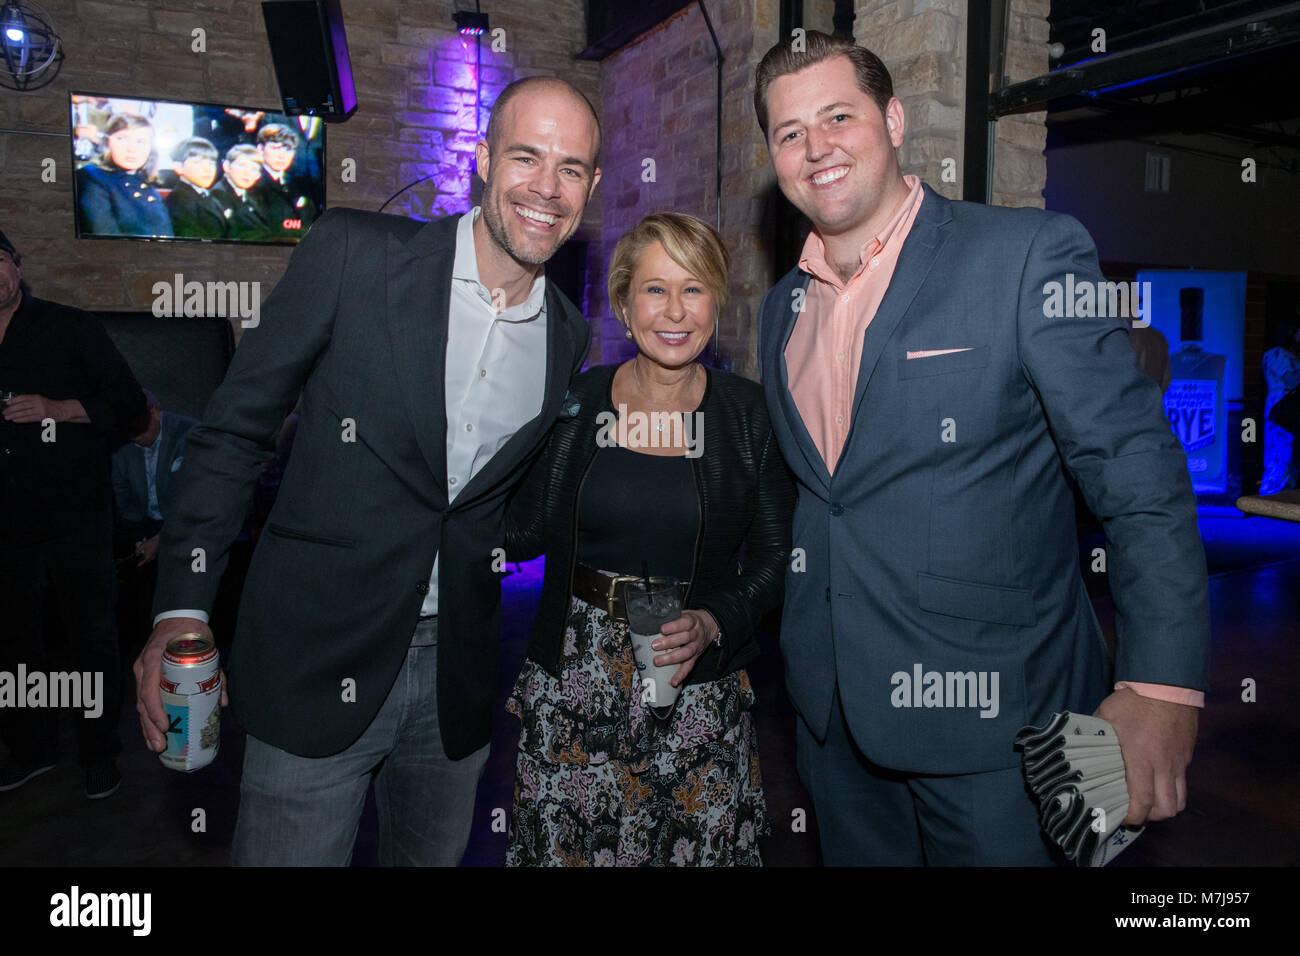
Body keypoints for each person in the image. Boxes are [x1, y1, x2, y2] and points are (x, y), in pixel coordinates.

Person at [752, 32, 1210, 865]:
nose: (815, 147)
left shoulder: (1026, 255)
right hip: (831, 722)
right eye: (789, 132)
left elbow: (1138, 474)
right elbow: (823, 499)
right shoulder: (780, 308)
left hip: (998, 730)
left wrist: (1159, 685)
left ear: (892, 120)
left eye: (838, 116)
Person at [133, 76, 603, 866]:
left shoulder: (567, 335)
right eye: (526, 157)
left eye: (572, 168)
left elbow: (497, 509)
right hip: (318, 654)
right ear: (483, 160)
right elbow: (233, 434)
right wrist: (182, 608)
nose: (546, 189)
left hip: (455, 676)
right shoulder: (355, 253)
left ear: (590, 186)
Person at [504, 213, 794, 866]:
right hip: (574, 680)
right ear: (624, 303)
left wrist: (717, 618)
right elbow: (519, 532)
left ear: (716, 302)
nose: (675, 310)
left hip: (698, 687)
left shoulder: (747, 416)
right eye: (655, 289)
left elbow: (779, 558)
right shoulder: (574, 403)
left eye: (694, 289)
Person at [0, 229, 147, 798]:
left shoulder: (70, 327)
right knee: (13, 640)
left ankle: (99, 753)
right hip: (6, 519)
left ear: (16, 263)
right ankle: (31, 749)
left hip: (74, 513)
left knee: (90, 638)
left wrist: (57, 409)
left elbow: (130, 404)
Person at [111, 388, 196, 651]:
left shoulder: (191, 435)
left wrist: (161, 540)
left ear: (155, 413)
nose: (135, 438)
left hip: (187, 526)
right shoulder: (121, 445)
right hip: (145, 525)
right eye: (129, 432)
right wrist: (140, 540)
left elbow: (195, 503)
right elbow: (123, 503)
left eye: (139, 429)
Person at [76, 113, 173, 238]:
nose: (131, 149)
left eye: (140, 141)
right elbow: (105, 237)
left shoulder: (146, 184)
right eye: (122, 139)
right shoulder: (92, 177)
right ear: (107, 142)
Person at [255, 124, 322, 238]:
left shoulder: (300, 186)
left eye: (288, 149)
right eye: (275, 148)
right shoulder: (251, 184)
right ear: (260, 149)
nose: (282, 156)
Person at [1260, 317, 1300, 495]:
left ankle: (1282, 492)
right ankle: (1272, 492)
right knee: (1280, 448)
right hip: (1282, 405)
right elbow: (1291, 379)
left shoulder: (1283, 355)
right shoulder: (1278, 354)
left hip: (1286, 404)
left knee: (1284, 448)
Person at [164, 138, 228, 240]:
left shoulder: (205, 195)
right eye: (197, 162)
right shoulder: (178, 202)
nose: (208, 169)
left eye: (211, 163)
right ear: (179, 167)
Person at [209, 145, 275, 241]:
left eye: (254, 169)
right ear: (226, 166)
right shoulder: (218, 194)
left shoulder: (253, 195)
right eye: (242, 165)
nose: (248, 173)